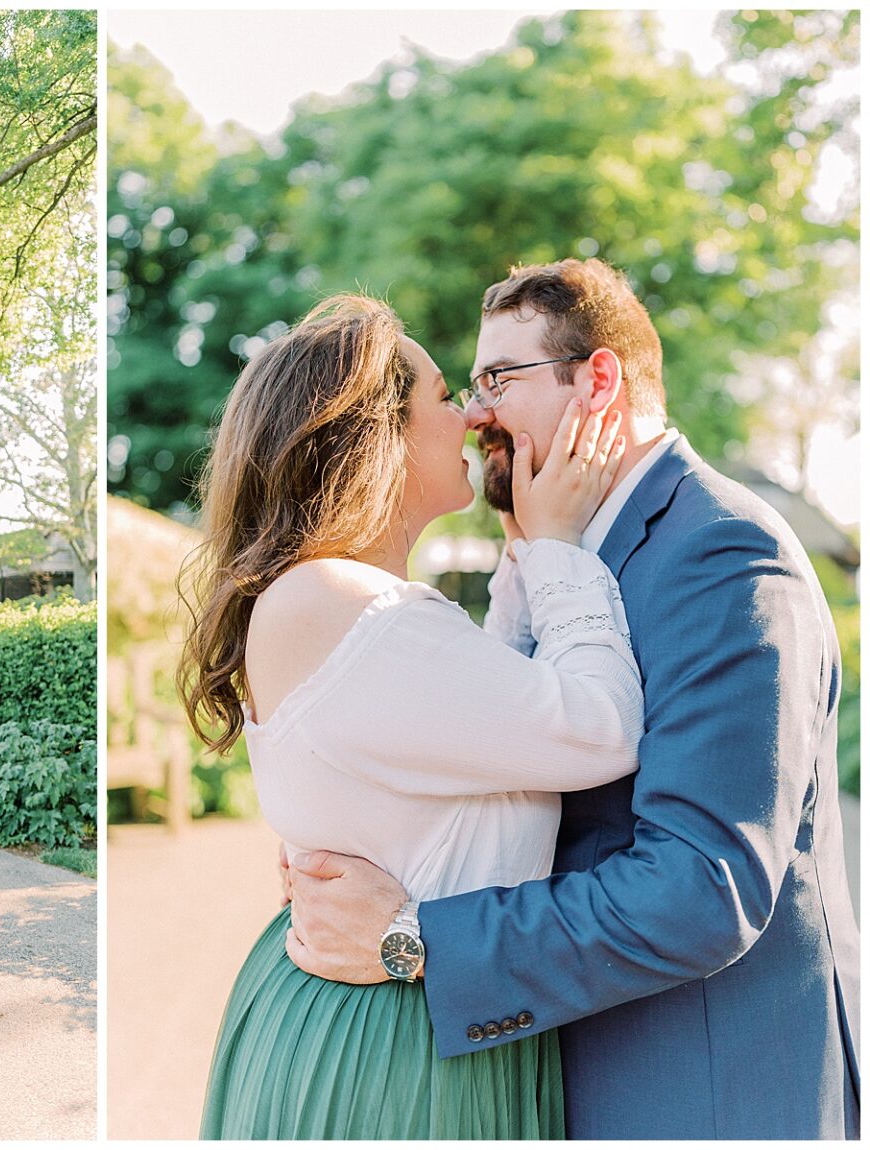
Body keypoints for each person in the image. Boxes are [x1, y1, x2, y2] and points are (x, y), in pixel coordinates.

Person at [282, 258, 860, 1139]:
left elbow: (701, 889)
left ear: (597, 381)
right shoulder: (567, 553)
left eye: (496, 381)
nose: (476, 415)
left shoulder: (720, 554)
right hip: (573, 1076)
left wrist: (414, 937)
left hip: (695, 1097)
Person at [180, 293, 643, 1138]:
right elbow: (598, 725)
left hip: (399, 1009)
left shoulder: (345, 604)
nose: (471, 414)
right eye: (443, 394)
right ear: (377, 435)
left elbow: (494, 711)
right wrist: (557, 548)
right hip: (398, 1036)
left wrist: (519, 548)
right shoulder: (345, 603)